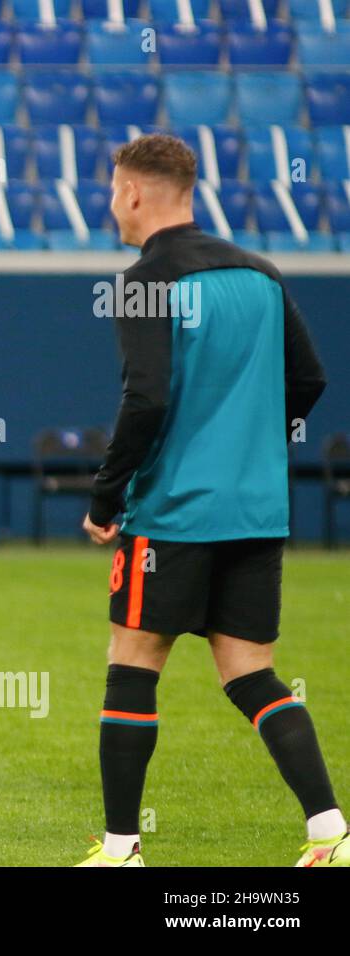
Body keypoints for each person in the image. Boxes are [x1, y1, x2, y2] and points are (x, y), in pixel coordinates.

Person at [77, 134, 343, 866]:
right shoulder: (260, 274)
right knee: (251, 673)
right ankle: (330, 830)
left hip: (173, 511)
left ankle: (124, 846)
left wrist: (106, 498)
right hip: (257, 510)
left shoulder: (143, 280)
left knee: (132, 663)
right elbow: (310, 379)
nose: (110, 204)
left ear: (133, 192)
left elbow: (148, 399)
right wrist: (248, 442)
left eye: (111, 189)